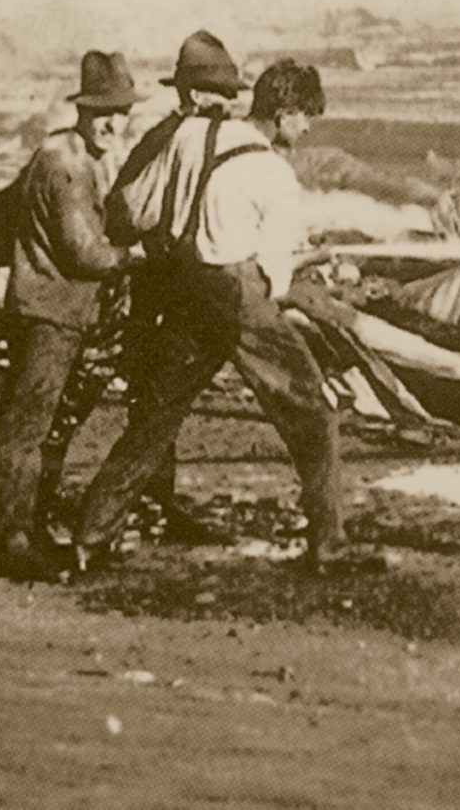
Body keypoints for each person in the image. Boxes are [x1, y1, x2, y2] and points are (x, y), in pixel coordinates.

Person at [74, 57, 372, 573]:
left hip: (185, 290)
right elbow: (274, 279)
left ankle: (90, 539)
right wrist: (309, 264)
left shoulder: (191, 135)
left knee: (156, 420)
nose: (306, 129)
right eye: (306, 117)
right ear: (284, 113)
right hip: (237, 297)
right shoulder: (275, 174)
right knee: (314, 413)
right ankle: (329, 545)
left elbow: (140, 209)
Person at [0, 51, 135, 577]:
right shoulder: (67, 165)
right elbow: (85, 254)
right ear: (83, 109)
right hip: (51, 311)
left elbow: (2, 208)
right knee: (28, 428)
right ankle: (10, 540)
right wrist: (137, 256)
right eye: (103, 113)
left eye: (121, 113)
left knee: (18, 416)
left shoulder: (62, 152)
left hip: (47, 307)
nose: (113, 123)